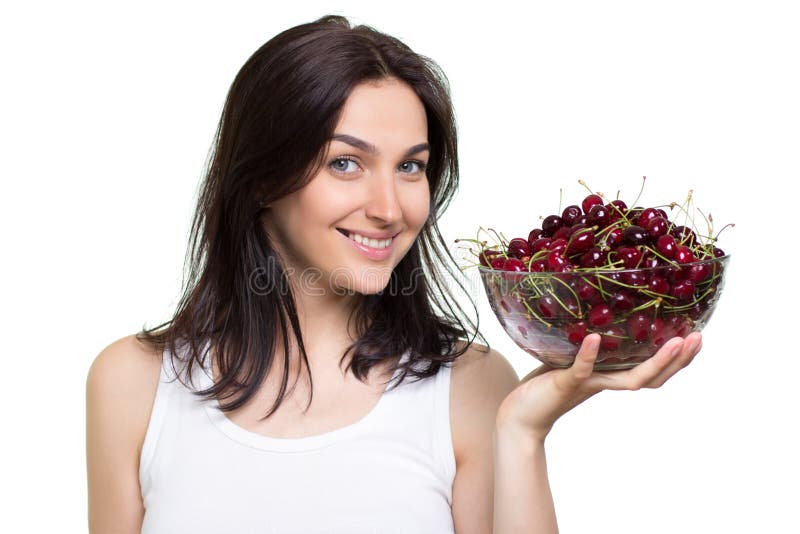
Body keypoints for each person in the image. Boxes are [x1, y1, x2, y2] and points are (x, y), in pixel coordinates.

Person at [86, 15, 702, 534]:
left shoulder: (473, 388)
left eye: (411, 167)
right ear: (262, 179)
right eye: (346, 162)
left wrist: (522, 429)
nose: (390, 207)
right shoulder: (133, 386)